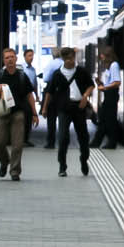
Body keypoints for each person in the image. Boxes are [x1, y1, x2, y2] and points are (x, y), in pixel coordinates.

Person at [42, 47, 95, 177]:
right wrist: (44, 108)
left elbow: (91, 85)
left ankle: (84, 159)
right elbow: (49, 91)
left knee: (83, 137)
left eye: (72, 58)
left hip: (79, 108)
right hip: (63, 109)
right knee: (63, 137)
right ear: (63, 59)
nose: (71, 61)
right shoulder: (57, 74)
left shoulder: (81, 72)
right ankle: (62, 165)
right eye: (68, 59)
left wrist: (85, 96)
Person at [0, 48, 38, 181]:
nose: (10, 60)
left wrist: (34, 113)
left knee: (17, 144)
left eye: (12, 57)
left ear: (16, 59)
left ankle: (15, 171)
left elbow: (30, 95)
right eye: (7, 58)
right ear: (4, 61)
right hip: (3, 113)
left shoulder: (22, 76)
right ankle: (5, 162)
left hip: (18, 113)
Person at [90, 47, 123, 150]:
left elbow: (117, 82)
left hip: (112, 95)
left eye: (102, 55)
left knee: (109, 120)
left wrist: (104, 87)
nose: (101, 57)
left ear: (107, 55)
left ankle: (109, 142)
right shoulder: (111, 66)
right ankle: (98, 142)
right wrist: (101, 84)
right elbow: (111, 83)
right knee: (104, 119)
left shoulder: (114, 65)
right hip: (109, 94)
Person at [41, 49, 65, 148]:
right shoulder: (64, 63)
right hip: (63, 93)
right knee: (63, 119)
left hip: (52, 92)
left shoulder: (50, 64)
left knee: (51, 119)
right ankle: (63, 141)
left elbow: (46, 78)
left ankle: (51, 142)